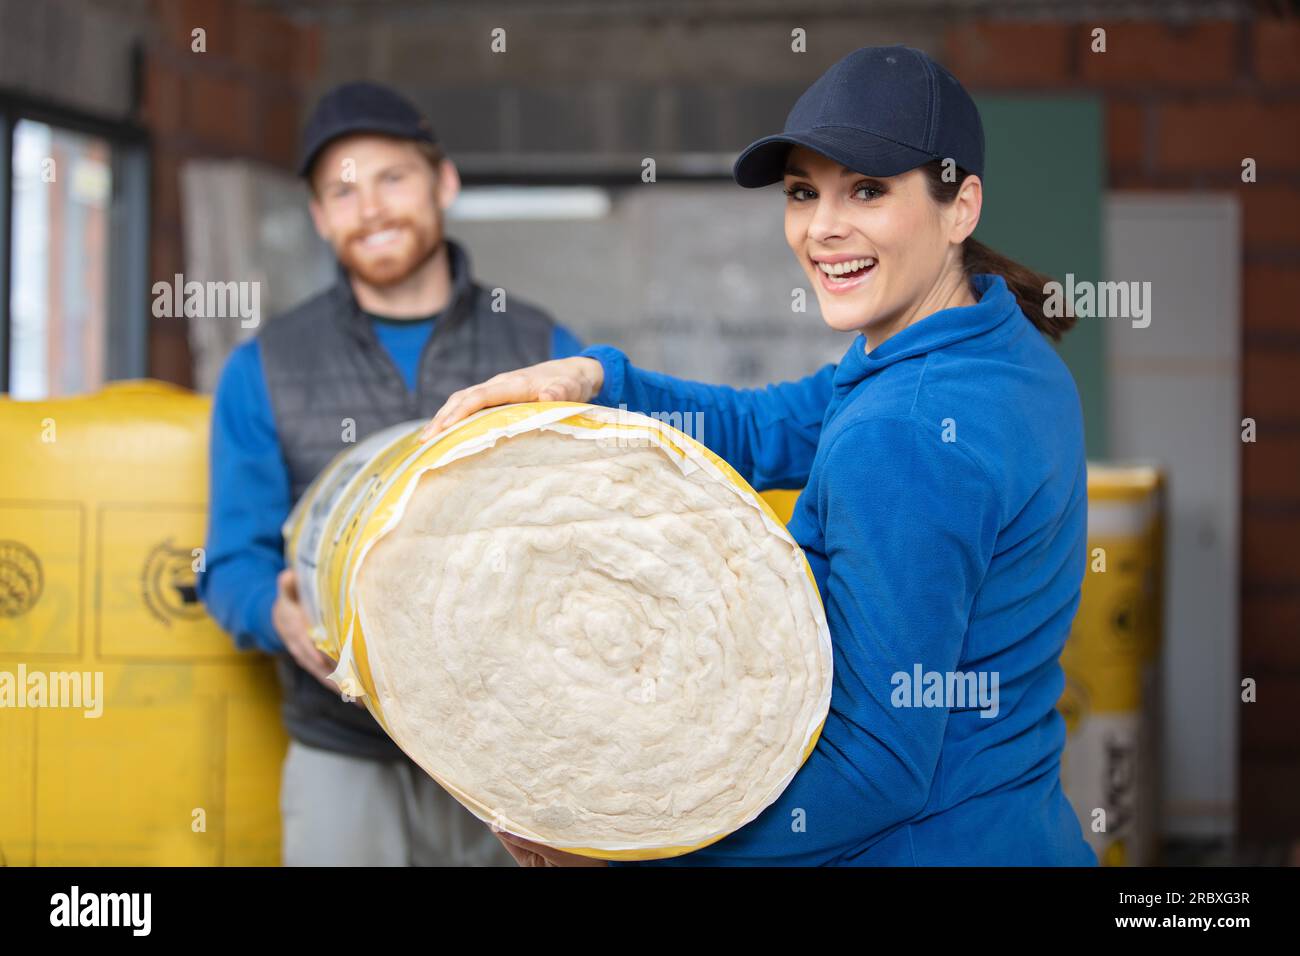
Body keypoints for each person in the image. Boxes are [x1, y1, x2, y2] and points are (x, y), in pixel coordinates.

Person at [421, 46, 1098, 866]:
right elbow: (767, 427)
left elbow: (874, 768)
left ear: (960, 208)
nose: (823, 228)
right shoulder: (991, 348)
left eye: (870, 191)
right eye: (805, 193)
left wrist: (628, 851)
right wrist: (598, 379)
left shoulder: (909, 429)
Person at [197, 81, 585, 866]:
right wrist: (275, 616)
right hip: (344, 746)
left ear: (443, 183)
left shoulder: (544, 346)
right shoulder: (265, 367)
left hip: (509, 744)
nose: (368, 207)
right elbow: (229, 561)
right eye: (340, 190)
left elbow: (589, 526)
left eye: (391, 178)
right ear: (317, 216)